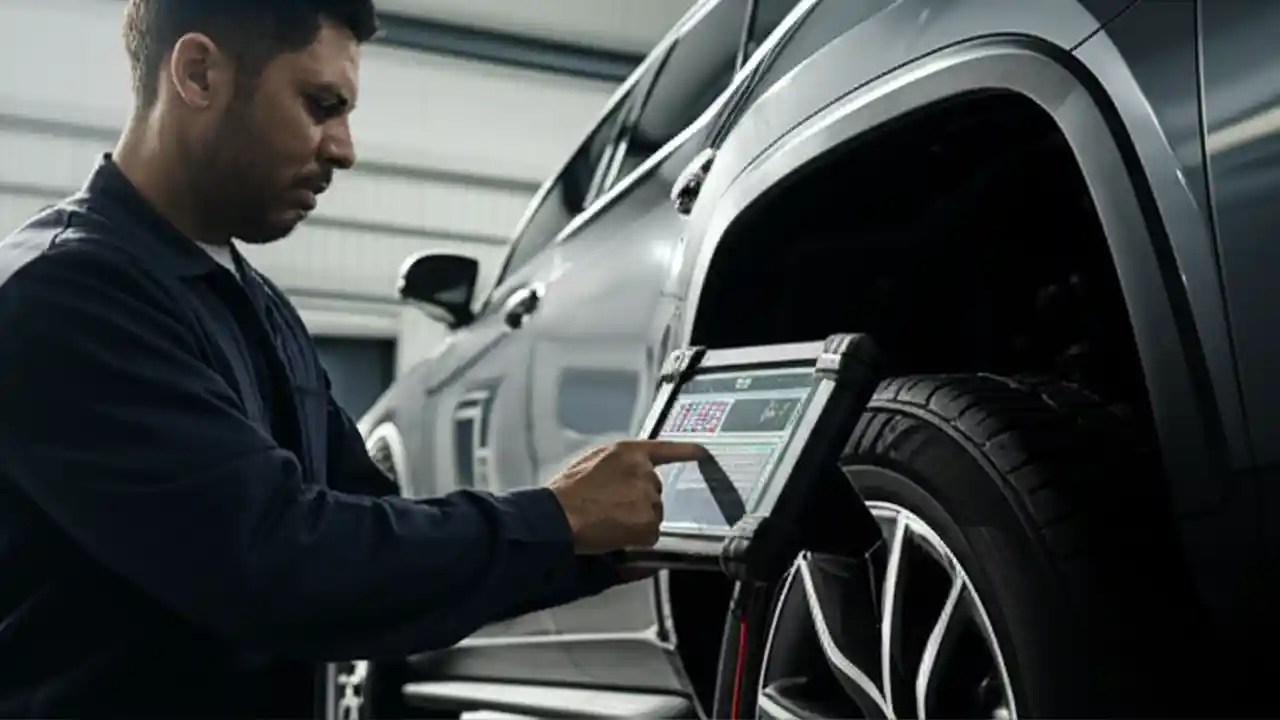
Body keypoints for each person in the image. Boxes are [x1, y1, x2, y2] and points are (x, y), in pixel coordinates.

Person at [0, 1, 705, 716]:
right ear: (198, 73)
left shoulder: (258, 305)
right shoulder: (62, 293)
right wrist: (554, 520)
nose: (343, 148)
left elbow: (368, 531)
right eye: (321, 105)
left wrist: (592, 546)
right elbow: (281, 562)